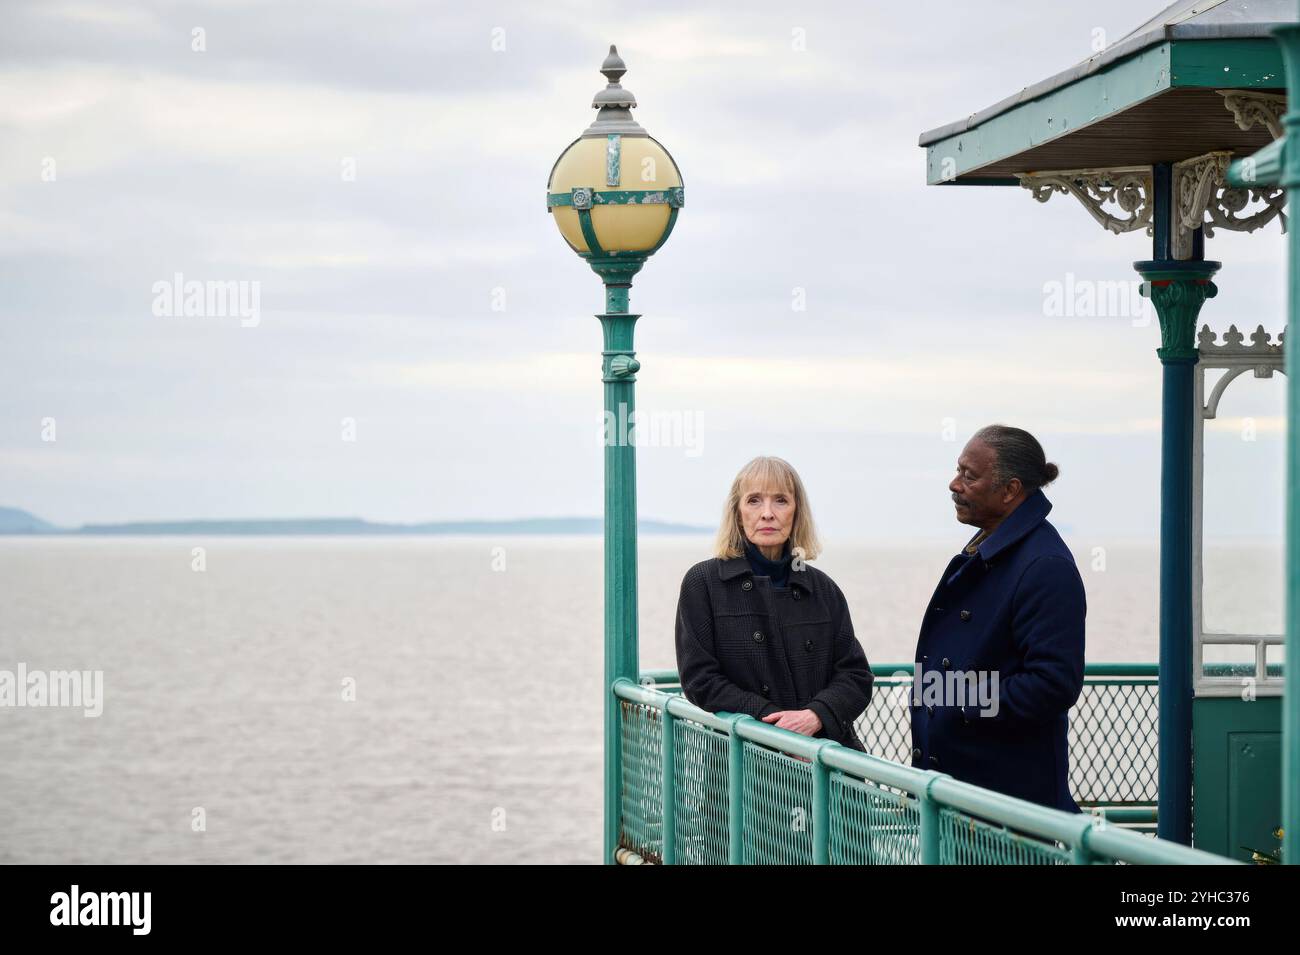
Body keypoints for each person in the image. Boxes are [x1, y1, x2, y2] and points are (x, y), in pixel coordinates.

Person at [911, 424, 1086, 812]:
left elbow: (1053, 684)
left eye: (969, 475)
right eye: (958, 471)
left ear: (1009, 490)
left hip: (1005, 808)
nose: (954, 484)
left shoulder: (1045, 565)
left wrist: (955, 702)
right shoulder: (996, 547)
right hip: (962, 795)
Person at [674, 455, 873, 750]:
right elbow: (700, 679)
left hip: (825, 762)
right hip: (743, 765)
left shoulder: (822, 588)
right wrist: (775, 722)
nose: (767, 513)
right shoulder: (703, 583)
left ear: (796, 512)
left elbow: (856, 676)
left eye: (781, 500)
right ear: (738, 513)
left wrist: (816, 715)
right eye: (754, 500)